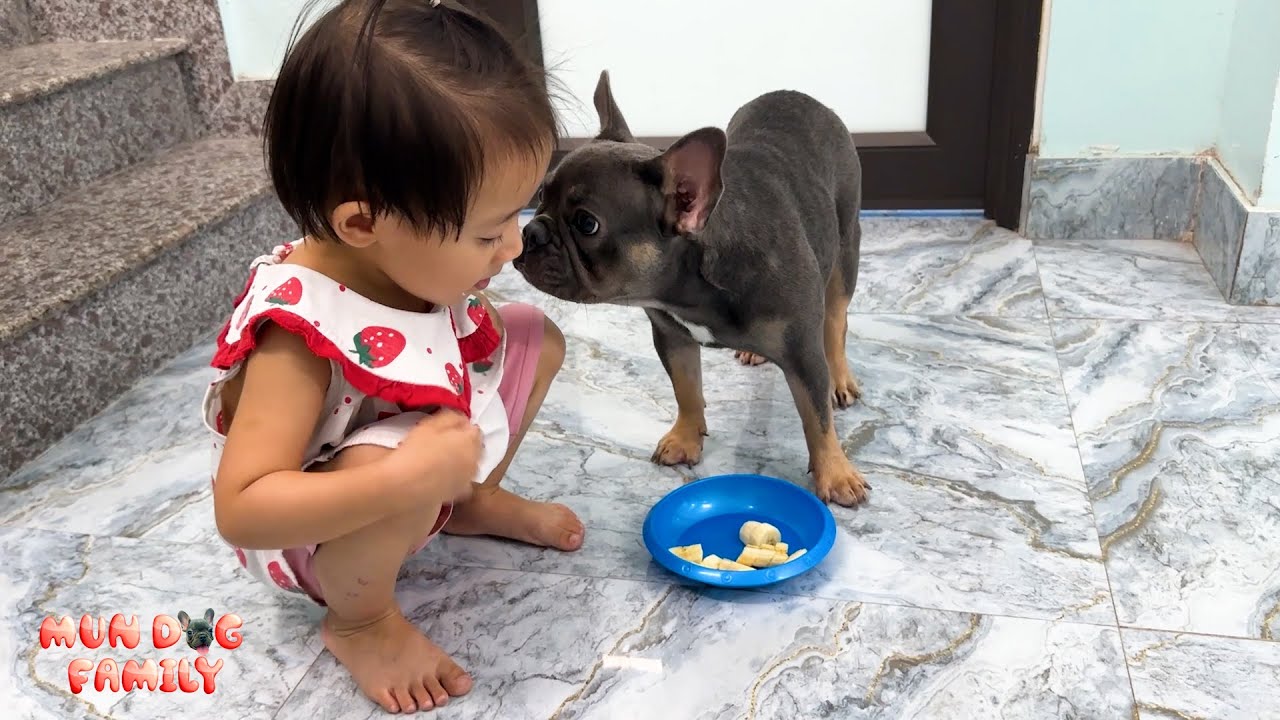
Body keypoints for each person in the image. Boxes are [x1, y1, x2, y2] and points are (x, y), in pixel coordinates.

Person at [201, 0, 584, 712]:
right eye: (488, 233)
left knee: (536, 338)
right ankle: (363, 620)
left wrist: (433, 471)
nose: (516, 246)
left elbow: (446, 345)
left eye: (515, 218)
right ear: (364, 221)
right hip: (318, 538)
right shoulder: (298, 334)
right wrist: (399, 484)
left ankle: (466, 498)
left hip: (410, 467)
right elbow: (243, 510)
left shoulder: (403, 262)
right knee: (385, 460)